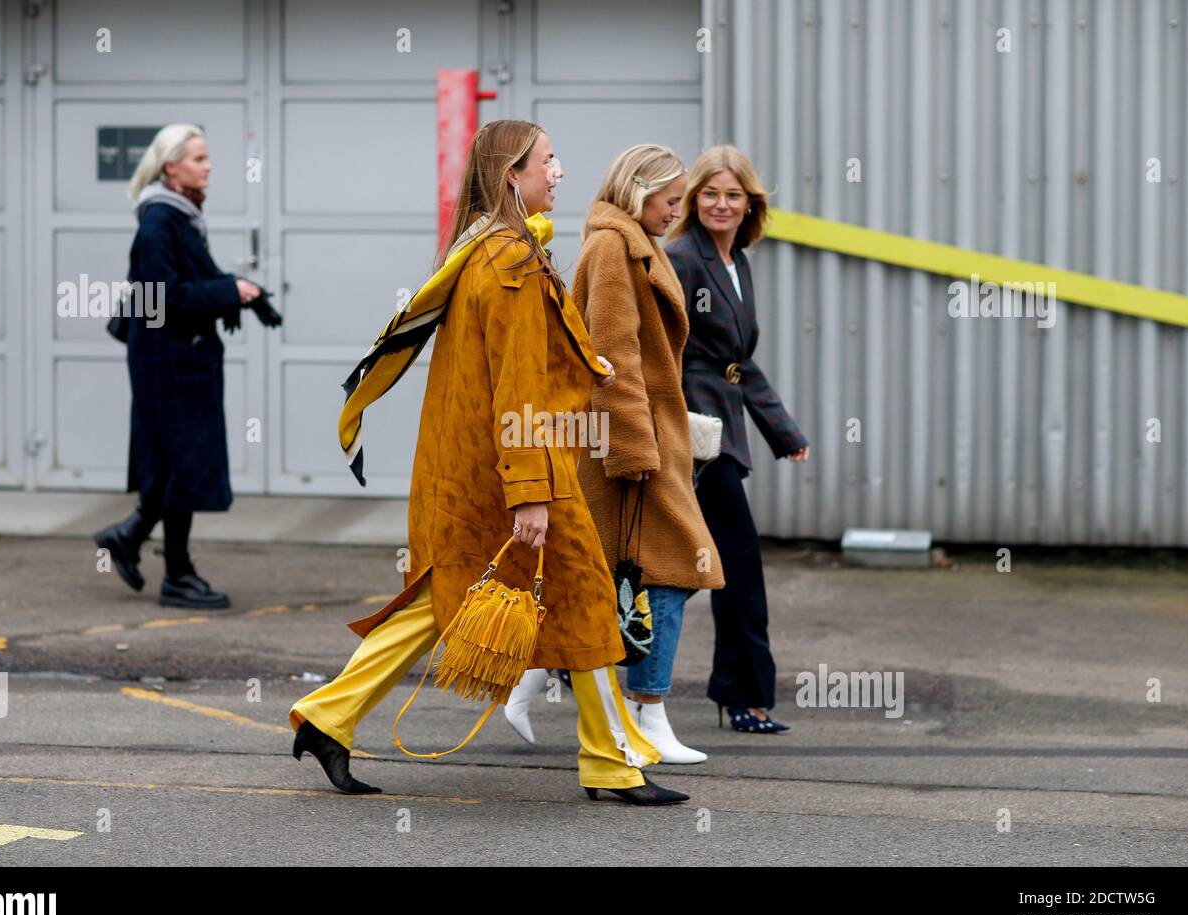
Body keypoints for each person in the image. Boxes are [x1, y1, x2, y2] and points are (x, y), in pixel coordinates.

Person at [288, 120, 686, 805]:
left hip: (479, 469)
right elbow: (520, 384)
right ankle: (609, 765)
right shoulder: (509, 262)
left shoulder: (493, 250)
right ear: (513, 174)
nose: (559, 173)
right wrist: (531, 492)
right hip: (517, 473)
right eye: (549, 161)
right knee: (584, 599)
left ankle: (328, 717)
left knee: (457, 600)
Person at [504, 145, 725, 764]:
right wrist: (631, 449)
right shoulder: (613, 246)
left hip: (649, 441)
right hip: (630, 448)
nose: (678, 211)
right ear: (637, 191)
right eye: (670, 199)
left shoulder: (634, 243)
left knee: (608, 577)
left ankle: (537, 676)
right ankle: (647, 712)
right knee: (674, 573)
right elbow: (612, 356)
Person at [94, 124, 272, 610]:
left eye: (206, 157)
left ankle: (131, 539)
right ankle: (174, 573)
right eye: (197, 158)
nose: (208, 165)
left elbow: (194, 280)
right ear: (170, 167)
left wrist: (243, 292)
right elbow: (161, 299)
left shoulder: (182, 217)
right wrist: (226, 292)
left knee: (180, 462)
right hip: (166, 363)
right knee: (180, 462)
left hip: (182, 359)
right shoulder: (158, 223)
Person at [664, 145, 810, 733]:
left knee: (685, 562)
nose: (722, 204)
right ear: (694, 199)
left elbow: (738, 362)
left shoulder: (736, 260)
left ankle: (581, 652)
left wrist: (782, 430)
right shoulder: (680, 258)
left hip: (722, 427)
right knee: (735, 561)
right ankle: (744, 696)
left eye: (733, 194)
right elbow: (658, 347)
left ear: (750, 203)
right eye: (710, 193)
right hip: (693, 432)